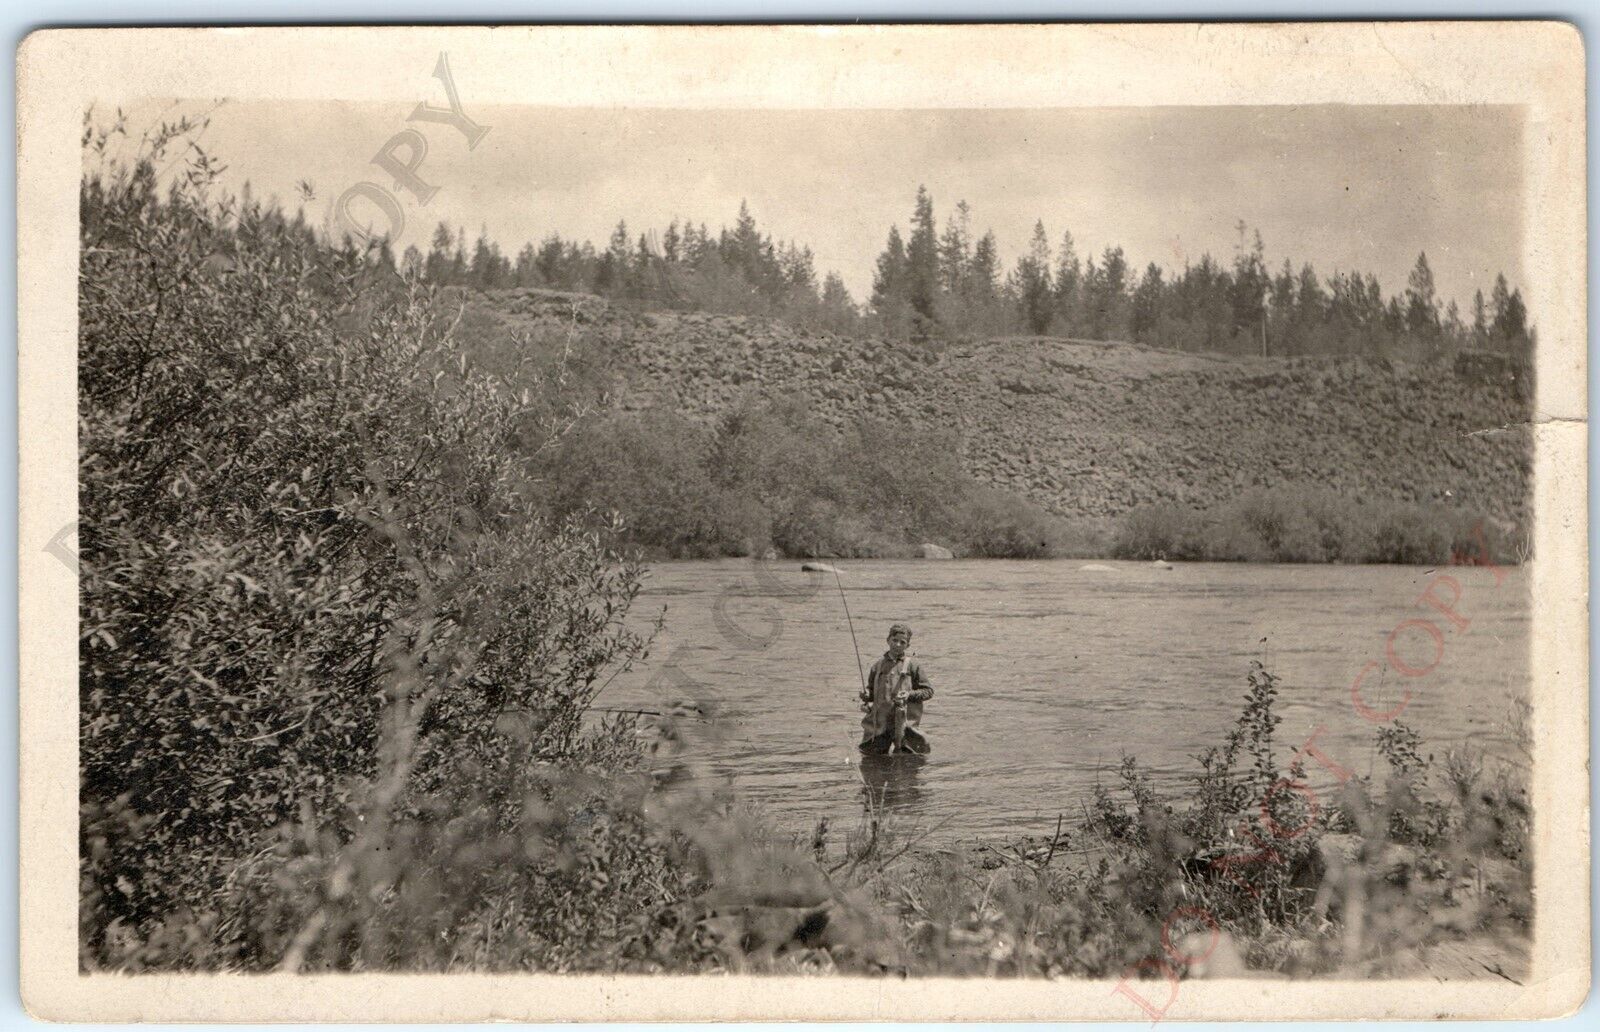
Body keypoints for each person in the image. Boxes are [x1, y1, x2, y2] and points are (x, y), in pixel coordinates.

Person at [858, 623, 934, 755]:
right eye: (894, 640)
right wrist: (866, 695)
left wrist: (909, 694)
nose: (898, 645)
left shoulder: (913, 665)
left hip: (905, 726)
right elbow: (871, 693)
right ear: (888, 640)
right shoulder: (877, 666)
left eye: (902, 642)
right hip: (880, 727)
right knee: (872, 762)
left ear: (908, 646)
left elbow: (928, 691)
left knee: (910, 762)